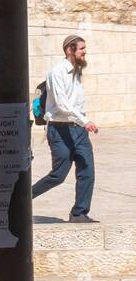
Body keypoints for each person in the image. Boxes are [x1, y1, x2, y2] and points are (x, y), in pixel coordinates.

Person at [31, 35, 99, 223]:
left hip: (79, 131)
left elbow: (77, 102)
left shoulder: (76, 72)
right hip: (60, 130)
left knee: (87, 170)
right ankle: (22, 200)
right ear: (69, 50)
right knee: (58, 175)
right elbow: (62, 104)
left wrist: (82, 122)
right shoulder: (57, 72)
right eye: (81, 49)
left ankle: (79, 213)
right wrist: (85, 120)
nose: (85, 52)